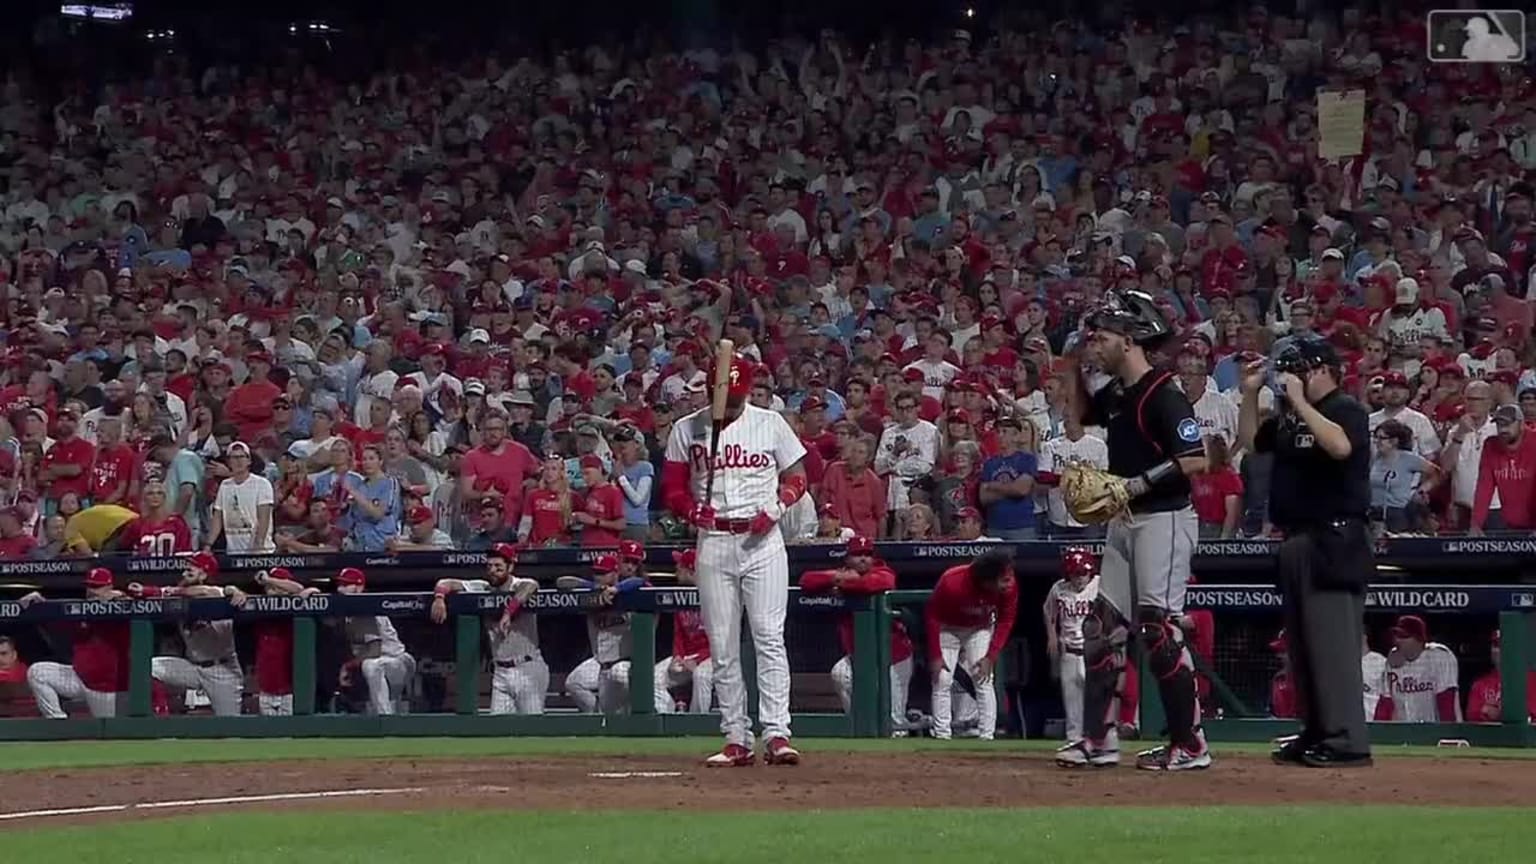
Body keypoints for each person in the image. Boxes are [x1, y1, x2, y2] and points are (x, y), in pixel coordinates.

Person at [1059, 290, 1210, 772]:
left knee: (1158, 629)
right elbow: (1081, 417)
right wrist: (1072, 368)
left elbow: (1196, 459)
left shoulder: (1163, 392)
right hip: (1127, 520)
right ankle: (1098, 741)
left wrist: (1136, 483)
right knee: (1099, 629)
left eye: (1101, 338)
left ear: (1129, 341)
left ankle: (1190, 744)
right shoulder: (1120, 392)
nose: (1093, 344)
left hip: (1164, 519)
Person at [662, 355, 808, 767]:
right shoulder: (687, 427)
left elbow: (797, 476)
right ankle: (736, 736)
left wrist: (778, 508)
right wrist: (691, 511)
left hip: (762, 540)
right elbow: (673, 488)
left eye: (736, 396)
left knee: (767, 636)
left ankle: (777, 733)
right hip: (714, 540)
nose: (729, 402)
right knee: (722, 644)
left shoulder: (769, 422)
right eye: (723, 395)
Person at [1236, 335, 1374, 768]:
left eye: (1297, 370)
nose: (1289, 379)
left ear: (1321, 370)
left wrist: (1300, 401)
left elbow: (1339, 446)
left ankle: (1347, 740)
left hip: (1335, 537)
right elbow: (1250, 442)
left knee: (1333, 646)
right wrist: (1251, 393)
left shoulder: (1345, 409)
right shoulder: (1292, 417)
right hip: (1295, 537)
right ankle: (1317, 731)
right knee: (1304, 647)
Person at [798, 535, 914, 733]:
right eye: (858, 554)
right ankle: (858, 725)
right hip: (859, 655)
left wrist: (843, 584)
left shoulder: (883, 571)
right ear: (847, 558)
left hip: (894, 657)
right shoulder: (841, 573)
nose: (863, 559)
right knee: (840, 674)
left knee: (895, 724)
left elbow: (873, 584)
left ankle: (896, 755)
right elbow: (806, 580)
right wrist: (838, 577)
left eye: (867, 555)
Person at [430, 544, 545, 715]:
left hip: (528, 667)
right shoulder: (483, 588)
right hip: (500, 672)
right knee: (497, 730)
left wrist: (508, 612)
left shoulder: (520, 584)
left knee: (533, 727)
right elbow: (445, 582)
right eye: (489, 566)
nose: (492, 570)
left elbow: (531, 586)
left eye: (498, 567)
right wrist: (439, 598)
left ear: (510, 566)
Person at [924, 547, 1019, 741]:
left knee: (983, 677)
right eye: (1004, 579)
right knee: (942, 679)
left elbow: (1006, 620)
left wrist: (990, 657)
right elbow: (932, 617)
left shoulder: (1009, 588)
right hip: (947, 628)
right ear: (988, 579)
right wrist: (935, 655)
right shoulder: (953, 581)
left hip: (979, 628)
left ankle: (987, 736)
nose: (1009, 583)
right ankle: (942, 735)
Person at [138, 551, 248, 716]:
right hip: (192, 668)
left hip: (222, 670)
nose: (184, 574)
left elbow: (204, 591)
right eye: (185, 571)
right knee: (145, 667)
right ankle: (161, 718)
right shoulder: (179, 597)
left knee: (230, 728)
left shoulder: (217, 594)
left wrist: (234, 590)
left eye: (190, 571)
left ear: (204, 574)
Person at [22, 567, 131, 718]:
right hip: (77, 677)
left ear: (109, 587)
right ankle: (58, 723)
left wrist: (119, 598)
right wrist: (42, 604)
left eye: (97, 587)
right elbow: (60, 616)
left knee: (110, 733)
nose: (91, 591)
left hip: (105, 687)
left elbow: (134, 604)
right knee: (38, 672)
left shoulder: (122, 609)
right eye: (89, 586)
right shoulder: (82, 610)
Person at [560, 553, 646, 714]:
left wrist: (616, 589)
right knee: (574, 683)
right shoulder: (590, 593)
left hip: (626, 663)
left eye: (603, 573)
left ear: (615, 573)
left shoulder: (628, 591)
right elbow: (562, 582)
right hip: (601, 663)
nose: (598, 576)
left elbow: (640, 581)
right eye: (596, 573)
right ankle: (596, 715)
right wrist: (593, 587)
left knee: (619, 675)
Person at [335, 567, 417, 716]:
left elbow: (374, 651)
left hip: (398, 662)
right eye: (340, 585)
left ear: (359, 587)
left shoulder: (366, 607)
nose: (341, 589)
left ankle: (385, 720)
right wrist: (309, 592)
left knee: (371, 665)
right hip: (382, 668)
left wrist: (348, 666)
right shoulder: (347, 611)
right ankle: (387, 717)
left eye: (347, 585)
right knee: (372, 674)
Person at [1045, 547, 1099, 745]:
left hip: (1091, 653)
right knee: (1072, 702)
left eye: (1084, 572)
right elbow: (1047, 611)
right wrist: (1051, 635)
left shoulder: (1099, 585)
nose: (1080, 578)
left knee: (1095, 700)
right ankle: (1074, 741)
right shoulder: (1059, 589)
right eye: (1076, 573)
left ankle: (1096, 740)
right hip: (1068, 652)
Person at [654, 549, 714, 714]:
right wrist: (677, 656)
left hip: (713, 656)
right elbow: (678, 635)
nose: (676, 570)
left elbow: (721, 638)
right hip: (687, 656)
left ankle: (696, 723)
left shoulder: (713, 595)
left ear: (691, 570)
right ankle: (670, 717)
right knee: (652, 679)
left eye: (680, 566)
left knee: (701, 676)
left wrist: (699, 659)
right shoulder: (680, 595)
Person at [1377, 615, 1461, 723]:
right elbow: (1385, 703)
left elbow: (1446, 702)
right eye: (1397, 636)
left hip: (1435, 729)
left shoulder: (1439, 657)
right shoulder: (1392, 660)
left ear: (1419, 640)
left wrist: (1447, 734)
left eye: (1404, 636)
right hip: (1405, 732)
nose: (1397, 641)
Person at [1471, 404, 1536, 534]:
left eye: (1508, 424)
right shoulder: (1491, 446)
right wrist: (1476, 525)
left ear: (1521, 424)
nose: (1503, 429)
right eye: (1499, 425)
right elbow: (1484, 488)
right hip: (1511, 525)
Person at [1368, 420, 1439, 534]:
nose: (1376, 441)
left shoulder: (1408, 459)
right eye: (1375, 437)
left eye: (1381, 438)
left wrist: (1422, 490)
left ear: (1394, 441)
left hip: (1397, 514)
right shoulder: (1375, 459)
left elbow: (1437, 473)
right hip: (1375, 513)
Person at [205, 440, 276, 553]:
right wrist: (208, 545)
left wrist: (258, 545)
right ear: (228, 462)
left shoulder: (262, 484)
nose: (238, 461)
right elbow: (218, 517)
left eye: (241, 457)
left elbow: (264, 518)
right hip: (234, 552)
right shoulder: (225, 486)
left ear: (249, 460)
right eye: (234, 458)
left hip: (260, 551)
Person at [977, 416, 1038, 540]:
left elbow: (1022, 490)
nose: (1000, 436)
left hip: (1021, 527)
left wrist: (993, 486)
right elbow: (984, 498)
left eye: (1004, 432)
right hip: (995, 527)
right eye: (998, 432)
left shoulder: (1027, 459)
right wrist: (1011, 488)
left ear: (1016, 436)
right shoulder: (990, 463)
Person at [1465, 630, 1536, 723]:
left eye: (1505, 646)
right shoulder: (1480, 684)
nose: (1499, 650)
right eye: (1495, 645)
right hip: (1489, 736)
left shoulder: (1532, 680)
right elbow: (1471, 715)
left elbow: (1531, 715)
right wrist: (1486, 712)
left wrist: (1501, 713)